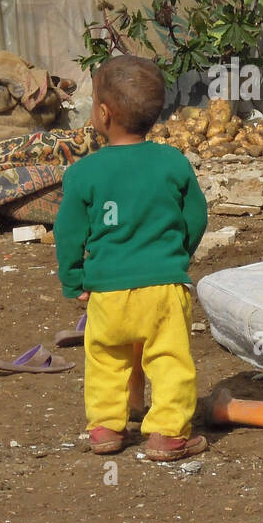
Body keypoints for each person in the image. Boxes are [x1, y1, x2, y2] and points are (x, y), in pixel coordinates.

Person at [54, 55, 209, 462]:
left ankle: (106, 427)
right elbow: (197, 215)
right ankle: (168, 434)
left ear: (103, 114)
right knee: (170, 359)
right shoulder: (172, 162)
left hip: (107, 292)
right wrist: (178, 256)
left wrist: (74, 280)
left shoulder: (84, 173)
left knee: (106, 358)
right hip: (163, 288)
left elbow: (69, 234)